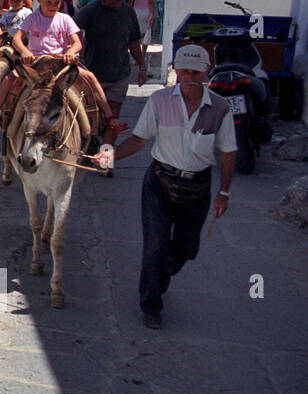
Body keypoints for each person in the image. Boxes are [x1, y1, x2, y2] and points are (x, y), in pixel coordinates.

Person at [92, 44, 236, 329]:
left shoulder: (220, 107)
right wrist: (112, 154)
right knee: (155, 245)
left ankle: (157, 277)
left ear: (206, 73)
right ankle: (151, 305)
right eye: (184, 71)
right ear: (176, 72)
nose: (189, 78)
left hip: (197, 187)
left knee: (187, 249)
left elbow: (229, 151)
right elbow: (139, 139)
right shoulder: (159, 101)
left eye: (195, 72)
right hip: (160, 181)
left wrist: (224, 192)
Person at [0, 0, 130, 142]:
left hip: (60, 63)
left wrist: (70, 51)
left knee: (90, 77)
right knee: (9, 78)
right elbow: (17, 39)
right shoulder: (32, 18)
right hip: (36, 63)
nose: (52, 6)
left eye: (56, 3)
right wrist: (25, 51)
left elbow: (77, 42)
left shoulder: (65, 19)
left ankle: (109, 118)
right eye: (48, 2)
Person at [75, 0, 148, 147]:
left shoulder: (128, 13)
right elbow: (72, 28)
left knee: (113, 116)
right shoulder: (91, 10)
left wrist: (142, 67)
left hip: (119, 74)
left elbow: (134, 42)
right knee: (88, 115)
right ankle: (89, 146)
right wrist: (79, 47)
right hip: (93, 73)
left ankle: (105, 158)